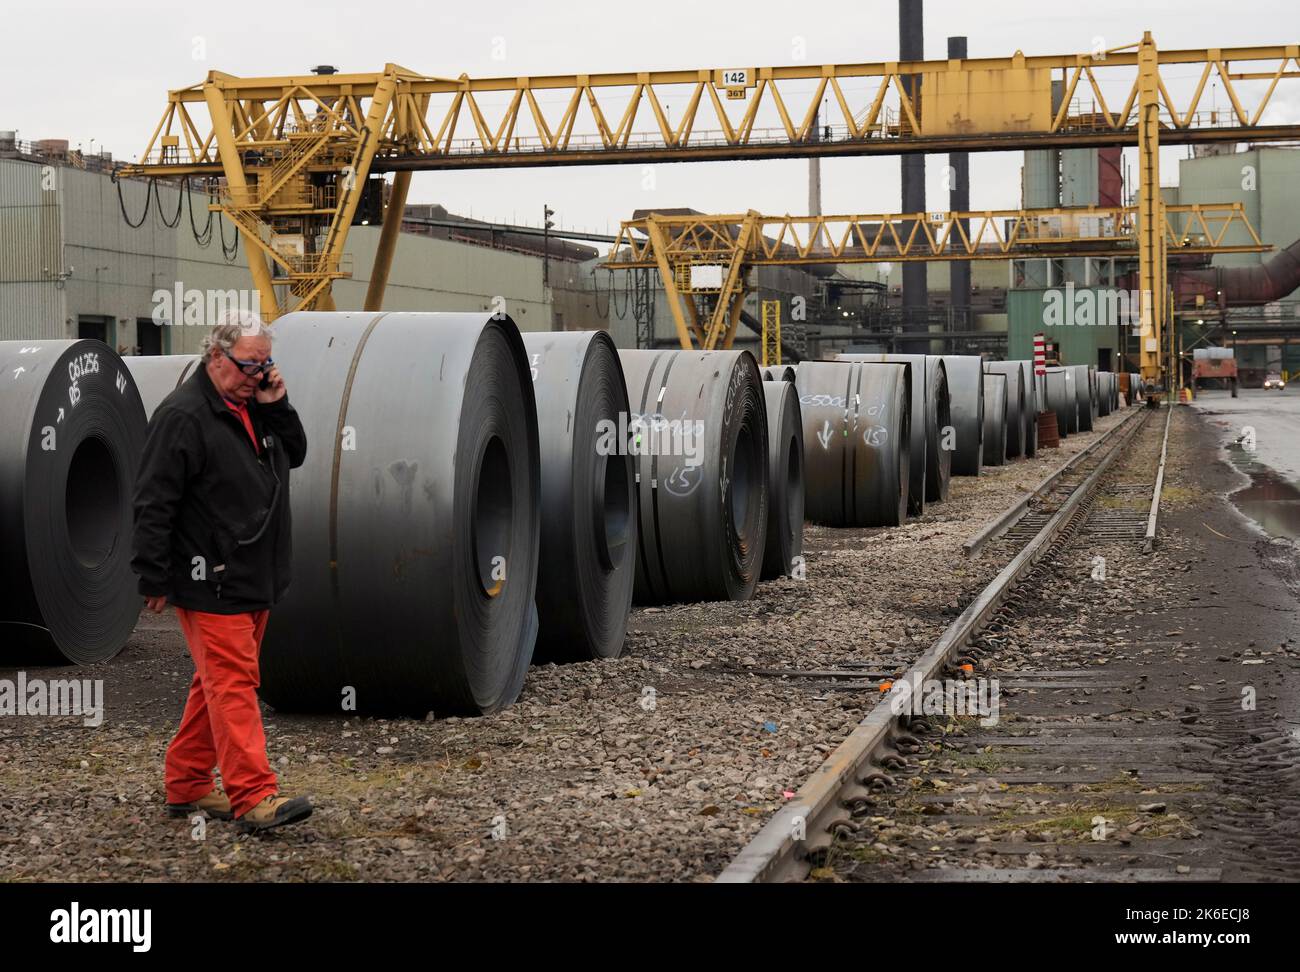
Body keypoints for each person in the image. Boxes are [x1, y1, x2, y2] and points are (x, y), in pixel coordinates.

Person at [132, 311, 313, 832]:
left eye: (265, 364)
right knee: (233, 683)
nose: (257, 374)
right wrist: (153, 575)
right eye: (248, 365)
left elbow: (296, 454)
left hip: (256, 571)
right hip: (208, 577)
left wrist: (277, 404)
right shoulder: (183, 417)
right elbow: (153, 500)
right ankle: (255, 796)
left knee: (215, 681)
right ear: (216, 357)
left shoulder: (257, 405)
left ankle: (187, 782)